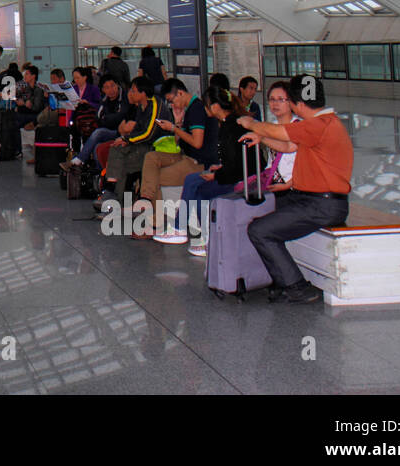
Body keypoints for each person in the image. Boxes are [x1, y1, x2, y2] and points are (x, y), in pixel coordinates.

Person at [240, 74, 353, 304]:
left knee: (260, 230)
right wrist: (260, 138)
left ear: (298, 104)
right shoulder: (323, 124)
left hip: (321, 205)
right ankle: (280, 281)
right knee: (271, 211)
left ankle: (297, 286)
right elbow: (289, 146)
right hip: (314, 200)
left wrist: (251, 123)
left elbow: (282, 135)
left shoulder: (318, 125)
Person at [140, 78, 221, 243]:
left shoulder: (197, 109)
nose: (173, 105)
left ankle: (156, 224)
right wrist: (178, 122)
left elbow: (197, 143)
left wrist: (173, 127)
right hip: (185, 156)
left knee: (156, 178)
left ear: (181, 93)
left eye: (172, 100)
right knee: (151, 157)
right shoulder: (188, 109)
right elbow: (178, 141)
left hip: (198, 162)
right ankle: (146, 197)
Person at [176, 86, 250, 254]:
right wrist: (220, 169)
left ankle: (181, 228)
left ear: (215, 107)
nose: (204, 109)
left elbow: (241, 165)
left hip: (241, 180)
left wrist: (217, 174)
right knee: (199, 188)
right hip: (232, 174)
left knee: (194, 182)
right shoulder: (227, 124)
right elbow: (234, 160)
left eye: (206, 105)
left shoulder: (232, 126)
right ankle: (205, 238)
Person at [93, 76, 165, 210]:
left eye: (133, 90)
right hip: (140, 144)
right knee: (116, 148)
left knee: (122, 159)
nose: (130, 93)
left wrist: (127, 139)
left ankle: (114, 195)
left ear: (143, 93)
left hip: (153, 146)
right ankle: (111, 193)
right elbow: (136, 129)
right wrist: (125, 140)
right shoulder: (140, 107)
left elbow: (149, 133)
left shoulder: (155, 105)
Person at [64, 74, 129, 175]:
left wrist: (107, 119)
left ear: (117, 85)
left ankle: (80, 159)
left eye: (112, 86)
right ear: (103, 89)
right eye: (107, 87)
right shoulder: (104, 100)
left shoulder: (124, 98)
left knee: (99, 132)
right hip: (107, 131)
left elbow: (120, 116)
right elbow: (98, 118)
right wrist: (109, 119)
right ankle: (100, 174)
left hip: (119, 132)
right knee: (97, 146)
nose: (111, 90)